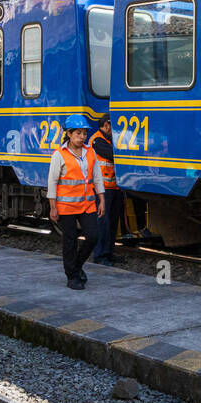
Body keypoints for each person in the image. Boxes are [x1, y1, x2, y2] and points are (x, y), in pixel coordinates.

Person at [47, 114, 106, 290]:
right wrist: (52, 207)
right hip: (66, 206)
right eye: (78, 133)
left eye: (84, 134)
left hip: (87, 204)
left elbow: (97, 177)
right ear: (69, 134)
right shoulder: (59, 155)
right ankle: (72, 277)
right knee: (70, 241)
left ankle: (77, 265)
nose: (82, 137)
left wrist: (101, 200)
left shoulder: (90, 152)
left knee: (93, 236)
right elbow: (52, 181)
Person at [90, 113, 123, 266]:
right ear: (106, 125)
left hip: (114, 187)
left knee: (112, 223)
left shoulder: (109, 141)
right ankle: (100, 255)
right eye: (111, 125)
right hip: (102, 190)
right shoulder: (97, 140)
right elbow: (113, 155)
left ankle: (109, 254)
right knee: (102, 223)